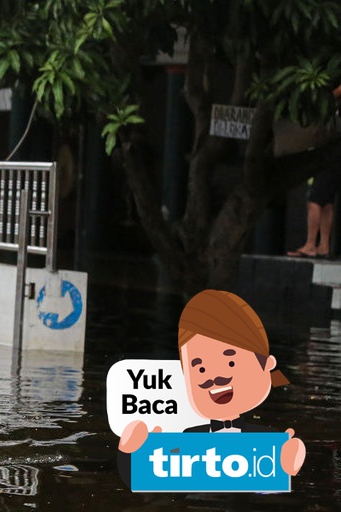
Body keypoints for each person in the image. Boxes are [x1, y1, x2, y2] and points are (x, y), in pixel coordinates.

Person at [117, 290, 306, 486]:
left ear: (266, 364)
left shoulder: (270, 442)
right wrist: (132, 453)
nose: (214, 378)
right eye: (200, 368)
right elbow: (148, 476)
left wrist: (288, 464)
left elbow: (272, 490)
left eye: (231, 363)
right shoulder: (188, 438)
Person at [287, 84, 341, 258]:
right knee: (326, 201)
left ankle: (311, 243)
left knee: (315, 200)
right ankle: (324, 245)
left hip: (333, 152)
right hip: (335, 153)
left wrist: (326, 95)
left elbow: (334, 93)